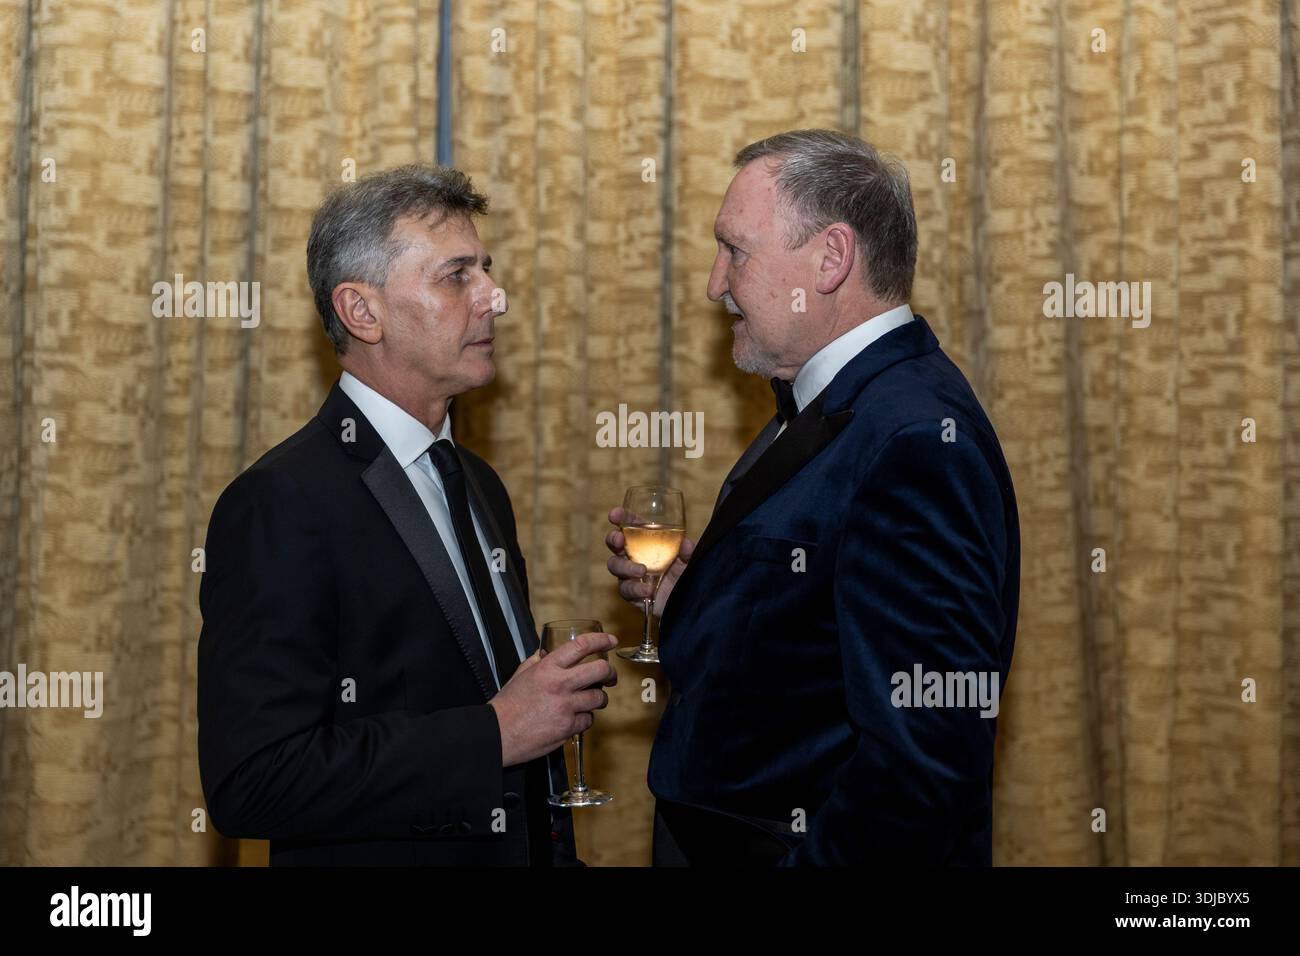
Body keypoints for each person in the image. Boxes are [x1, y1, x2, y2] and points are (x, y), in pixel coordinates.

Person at [606, 129, 1020, 865]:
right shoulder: (837, 398)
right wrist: (699, 599)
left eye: (736, 250)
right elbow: (823, 627)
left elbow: (924, 764)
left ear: (830, 259)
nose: (714, 281)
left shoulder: (913, 439)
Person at [198, 164, 617, 866]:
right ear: (363, 312)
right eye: (457, 276)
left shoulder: (477, 481)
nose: (494, 297)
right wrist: (494, 733)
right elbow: (254, 782)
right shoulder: (281, 500)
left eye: (486, 270)